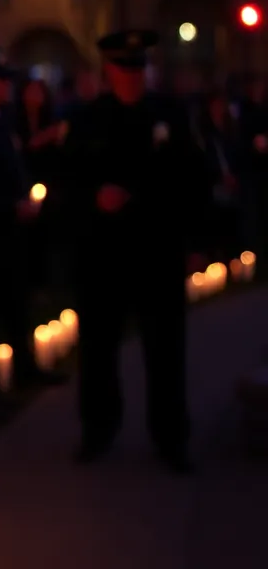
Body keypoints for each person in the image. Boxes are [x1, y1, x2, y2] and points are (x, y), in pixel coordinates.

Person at [59, 30, 210, 474]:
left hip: (157, 248)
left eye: (137, 68)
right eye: (123, 69)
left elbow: (193, 180)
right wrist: (93, 198)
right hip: (103, 253)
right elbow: (67, 183)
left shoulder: (170, 115)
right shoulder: (86, 120)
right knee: (98, 347)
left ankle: (171, 436)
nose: (131, 77)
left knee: (166, 348)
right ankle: (98, 429)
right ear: (108, 71)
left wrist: (193, 240)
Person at [0, 50, 63, 400]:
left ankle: (25, 369)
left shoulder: (2, 119)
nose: (8, 86)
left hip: (13, 232)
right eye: (2, 79)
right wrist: (10, 205)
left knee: (17, 305)